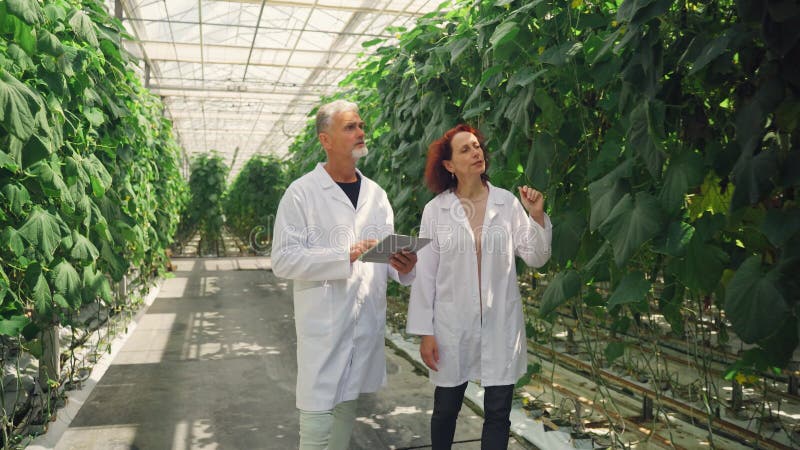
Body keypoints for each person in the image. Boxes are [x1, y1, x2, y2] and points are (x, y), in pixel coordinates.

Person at [271, 100, 418, 450]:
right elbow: (283, 260)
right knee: (317, 425)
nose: (361, 132)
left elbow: (384, 255)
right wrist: (344, 255)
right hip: (325, 323)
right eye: (350, 127)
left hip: (363, 320)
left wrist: (403, 266)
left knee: (346, 409)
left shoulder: (376, 195)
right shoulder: (301, 193)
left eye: (361, 125)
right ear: (326, 140)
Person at [406, 124, 552, 450]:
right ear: (449, 165)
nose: (476, 152)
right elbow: (426, 275)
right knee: (446, 409)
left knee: (498, 414)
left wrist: (537, 216)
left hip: (499, 324)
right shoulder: (436, 210)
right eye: (465, 149)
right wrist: (425, 332)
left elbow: (537, 257)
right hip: (451, 325)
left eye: (477, 146)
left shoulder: (506, 203)